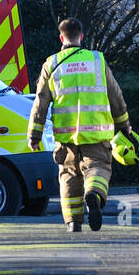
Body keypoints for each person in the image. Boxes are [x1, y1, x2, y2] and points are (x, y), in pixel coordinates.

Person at [28, 17, 132, 232]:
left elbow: (41, 100)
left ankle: (73, 223)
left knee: (68, 176)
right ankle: (93, 194)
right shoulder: (97, 61)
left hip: (65, 136)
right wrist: (124, 125)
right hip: (97, 133)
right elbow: (116, 96)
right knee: (98, 168)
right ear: (81, 37)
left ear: (61, 37)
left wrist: (34, 135)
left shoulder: (52, 63)